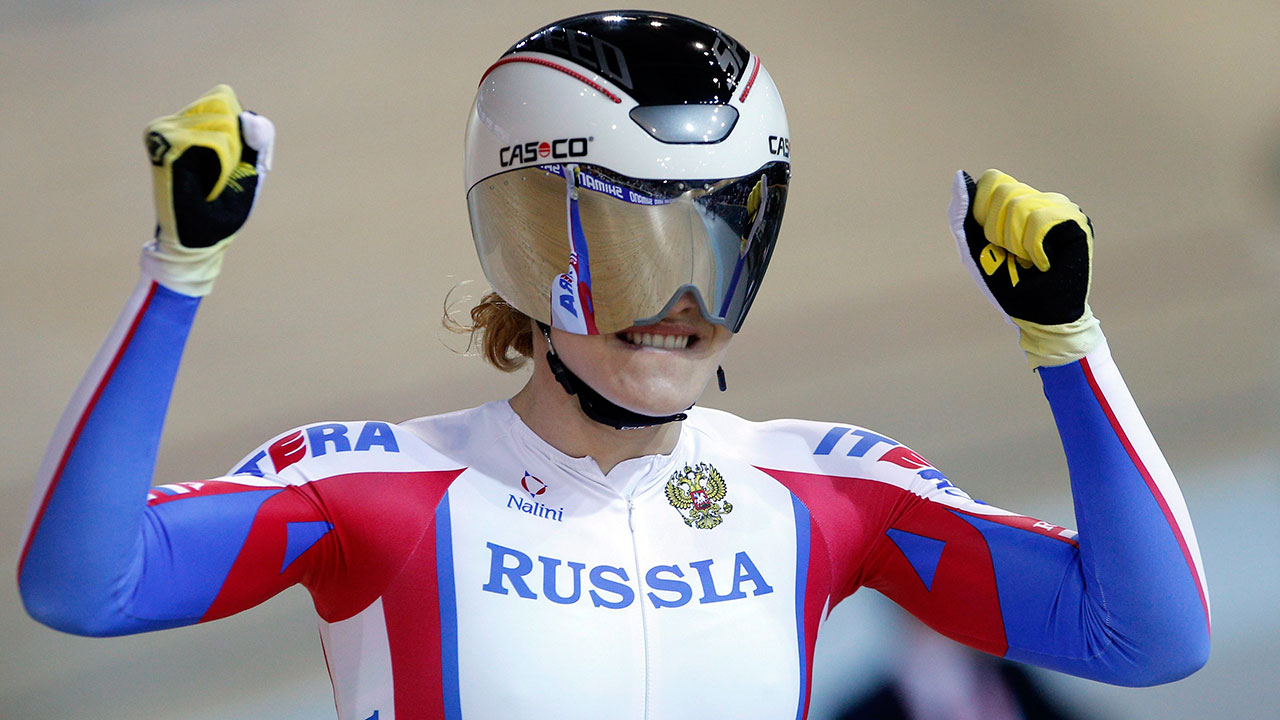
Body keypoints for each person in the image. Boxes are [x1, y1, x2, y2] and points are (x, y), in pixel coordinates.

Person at [18, 10, 1209, 720]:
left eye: (719, 243)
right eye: (633, 252)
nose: (680, 308)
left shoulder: (826, 494)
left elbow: (1147, 640)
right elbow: (85, 586)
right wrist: (178, 276)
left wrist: (1067, 343)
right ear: (525, 251)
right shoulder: (376, 490)